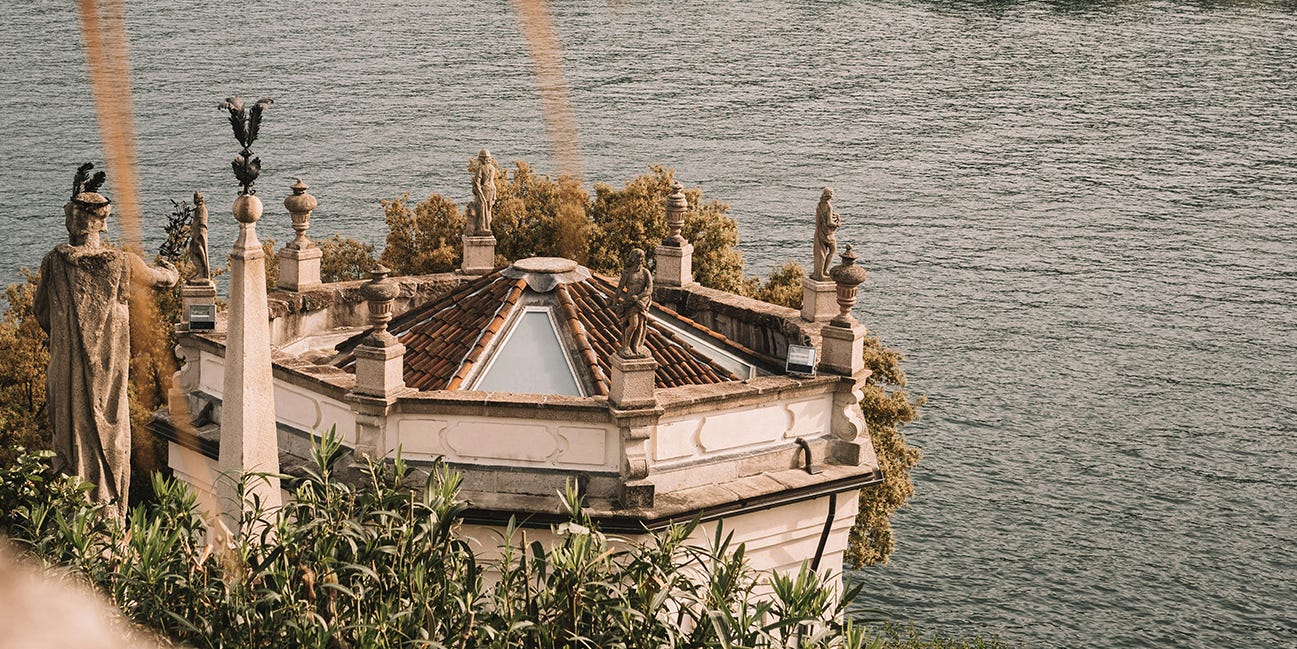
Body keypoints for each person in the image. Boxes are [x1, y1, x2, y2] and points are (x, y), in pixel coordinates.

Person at [34, 168, 178, 520]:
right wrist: (170, 270)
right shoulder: (120, 262)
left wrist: (66, 338)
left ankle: (74, 514)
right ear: (103, 223)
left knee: (68, 439)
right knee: (111, 434)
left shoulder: (55, 261)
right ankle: (107, 513)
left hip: (67, 372)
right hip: (109, 374)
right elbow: (161, 279)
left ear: (73, 221)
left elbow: (41, 312)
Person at [613, 248, 652, 357]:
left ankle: (635, 346)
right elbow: (620, 288)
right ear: (633, 259)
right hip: (630, 303)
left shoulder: (645, 272)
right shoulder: (627, 273)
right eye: (639, 258)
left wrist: (639, 297)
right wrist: (615, 301)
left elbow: (649, 289)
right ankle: (626, 345)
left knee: (640, 324)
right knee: (633, 324)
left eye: (642, 258)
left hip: (642, 302)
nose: (641, 260)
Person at [813, 187, 841, 281]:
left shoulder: (819, 205)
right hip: (827, 234)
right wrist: (838, 223)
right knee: (833, 250)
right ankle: (824, 271)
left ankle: (819, 272)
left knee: (822, 252)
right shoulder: (829, 206)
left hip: (819, 232)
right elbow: (829, 222)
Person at [471, 148, 497, 235]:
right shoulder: (493, 169)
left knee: (481, 209)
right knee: (488, 210)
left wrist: (477, 191)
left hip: (484, 191)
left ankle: (482, 229)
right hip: (492, 191)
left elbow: (477, 182)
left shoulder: (481, 168)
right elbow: (492, 182)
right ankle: (487, 227)